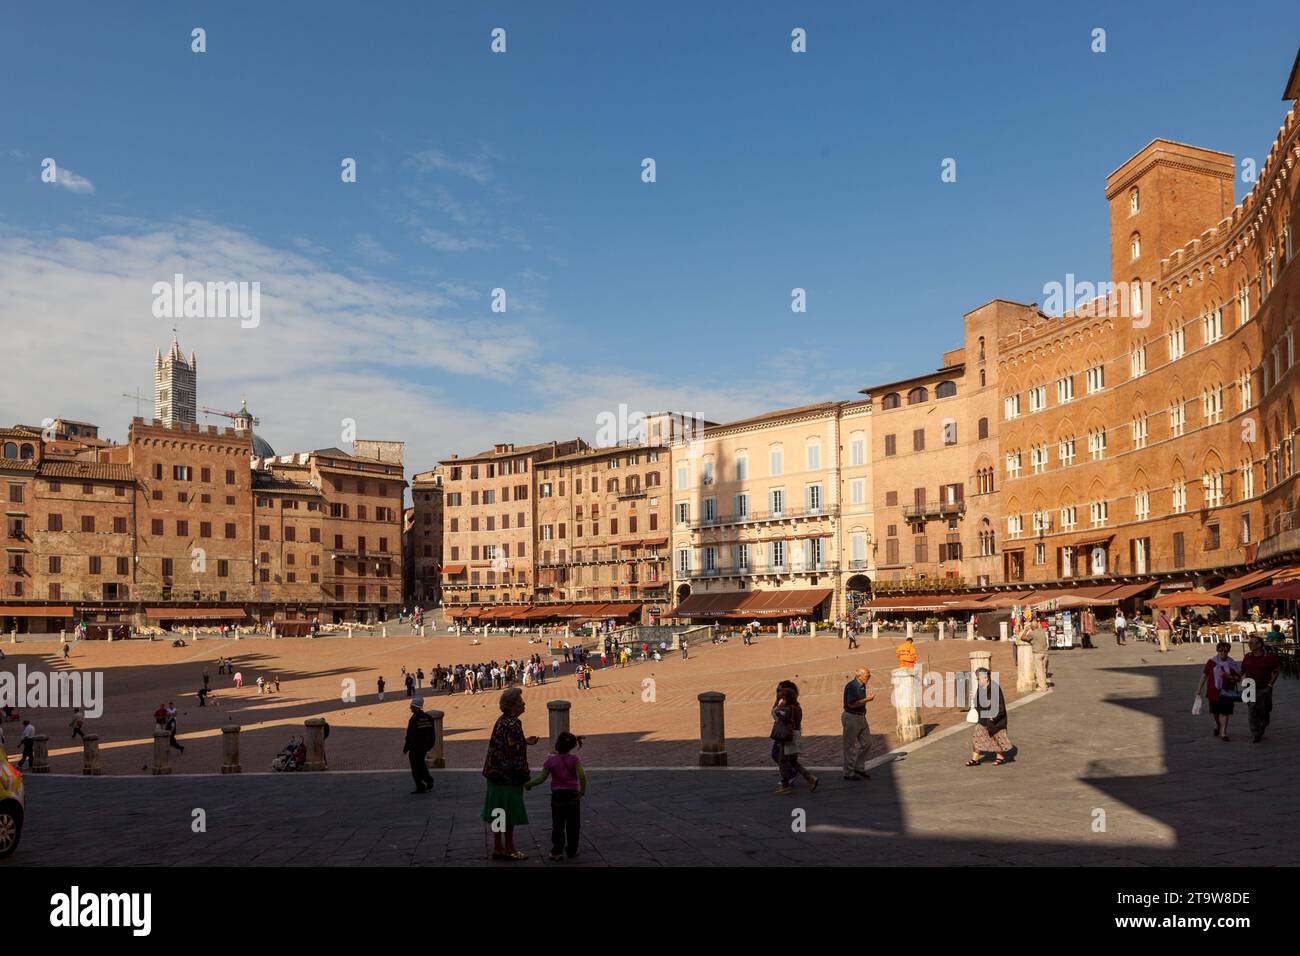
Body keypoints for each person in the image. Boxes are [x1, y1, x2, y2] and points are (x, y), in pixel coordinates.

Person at [481, 688, 539, 861]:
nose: (524, 703)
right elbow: (515, 754)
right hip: (509, 777)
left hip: (494, 774)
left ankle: (498, 847)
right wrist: (525, 777)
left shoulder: (501, 721)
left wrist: (524, 741)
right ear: (512, 705)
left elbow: (506, 744)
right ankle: (510, 848)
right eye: (520, 701)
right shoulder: (514, 724)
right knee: (510, 812)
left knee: (498, 811)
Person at [526, 731, 587, 862]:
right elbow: (582, 775)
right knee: (573, 824)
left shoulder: (550, 761)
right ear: (572, 746)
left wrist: (529, 784)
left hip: (558, 795)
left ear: (557, 745)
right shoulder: (574, 759)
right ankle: (572, 850)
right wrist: (582, 791)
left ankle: (557, 851)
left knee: (558, 824)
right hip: (572, 794)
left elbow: (541, 778)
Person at [772, 681, 818, 795]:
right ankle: (810, 778)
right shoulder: (798, 708)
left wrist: (777, 701)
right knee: (793, 761)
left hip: (787, 737)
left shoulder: (787, 709)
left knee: (782, 760)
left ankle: (785, 785)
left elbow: (775, 712)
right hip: (796, 735)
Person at [1195, 641, 1242, 741]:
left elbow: (1238, 679)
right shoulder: (1211, 662)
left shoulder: (1231, 663)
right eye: (1221, 650)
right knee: (1215, 713)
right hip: (1213, 691)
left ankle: (1223, 733)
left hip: (1227, 692)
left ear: (1228, 652)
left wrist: (1227, 676)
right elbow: (1204, 676)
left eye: (1226, 651)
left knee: (1225, 712)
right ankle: (1218, 725)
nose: (1223, 653)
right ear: (1217, 650)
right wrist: (1199, 689)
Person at [965, 668, 1012, 765]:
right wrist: (974, 698)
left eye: (979, 678)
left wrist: (994, 717)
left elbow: (1001, 707)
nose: (977, 681)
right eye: (977, 678)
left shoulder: (995, 688)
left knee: (997, 738)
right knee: (977, 737)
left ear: (986, 678)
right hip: (983, 719)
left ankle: (1000, 757)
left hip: (995, 719)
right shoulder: (981, 687)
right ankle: (975, 758)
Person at [1240, 635, 1281, 743]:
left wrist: (1270, 685)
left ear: (1259, 645)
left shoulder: (1269, 656)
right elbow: (1243, 669)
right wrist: (1235, 677)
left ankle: (1264, 722)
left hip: (1264, 688)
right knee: (1252, 710)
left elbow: (1275, 671)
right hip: (1249, 688)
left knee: (1264, 710)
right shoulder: (1248, 656)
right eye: (1249, 643)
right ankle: (1256, 733)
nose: (1249, 645)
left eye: (1252, 643)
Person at [841, 667, 874, 781]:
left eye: (869, 675)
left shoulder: (862, 684)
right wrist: (867, 700)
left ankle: (858, 767)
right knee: (849, 746)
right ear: (860, 676)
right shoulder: (852, 686)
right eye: (867, 675)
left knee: (867, 743)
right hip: (851, 717)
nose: (869, 677)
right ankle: (848, 772)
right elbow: (850, 704)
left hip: (861, 717)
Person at [403, 696, 437, 794]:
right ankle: (428, 780)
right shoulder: (428, 717)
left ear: (415, 707)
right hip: (424, 747)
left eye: (411, 706)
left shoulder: (414, 719)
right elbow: (432, 733)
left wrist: (406, 747)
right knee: (421, 765)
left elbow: (410, 735)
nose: (410, 708)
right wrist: (430, 745)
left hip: (415, 748)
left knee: (415, 768)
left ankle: (420, 786)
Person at [1027, 617, 1050, 692]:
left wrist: (1025, 630)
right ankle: (1044, 684)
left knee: (1039, 670)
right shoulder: (1042, 631)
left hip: (1038, 653)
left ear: (1032, 627)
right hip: (1045, 652)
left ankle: (1042, 687)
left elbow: (1023, 638)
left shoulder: (1032, 633)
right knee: (1044, 669)